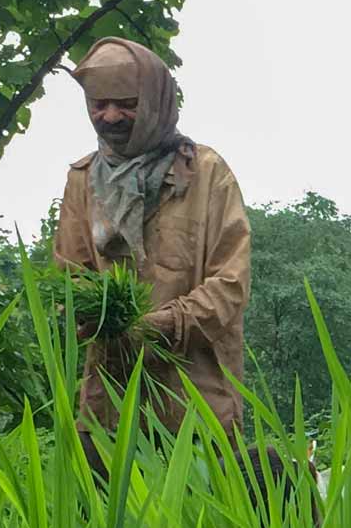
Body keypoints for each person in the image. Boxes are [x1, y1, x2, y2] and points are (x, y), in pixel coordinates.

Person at [52, 36, 251, 477]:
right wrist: (89, 313)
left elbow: (230, 284)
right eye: (98, 105)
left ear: (156, 101)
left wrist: (159, 325)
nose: (109, 117)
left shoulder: (206, 173)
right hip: (110, 404)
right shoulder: (83, 180)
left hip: (197, 401)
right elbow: (69, 277)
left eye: (125, 104)